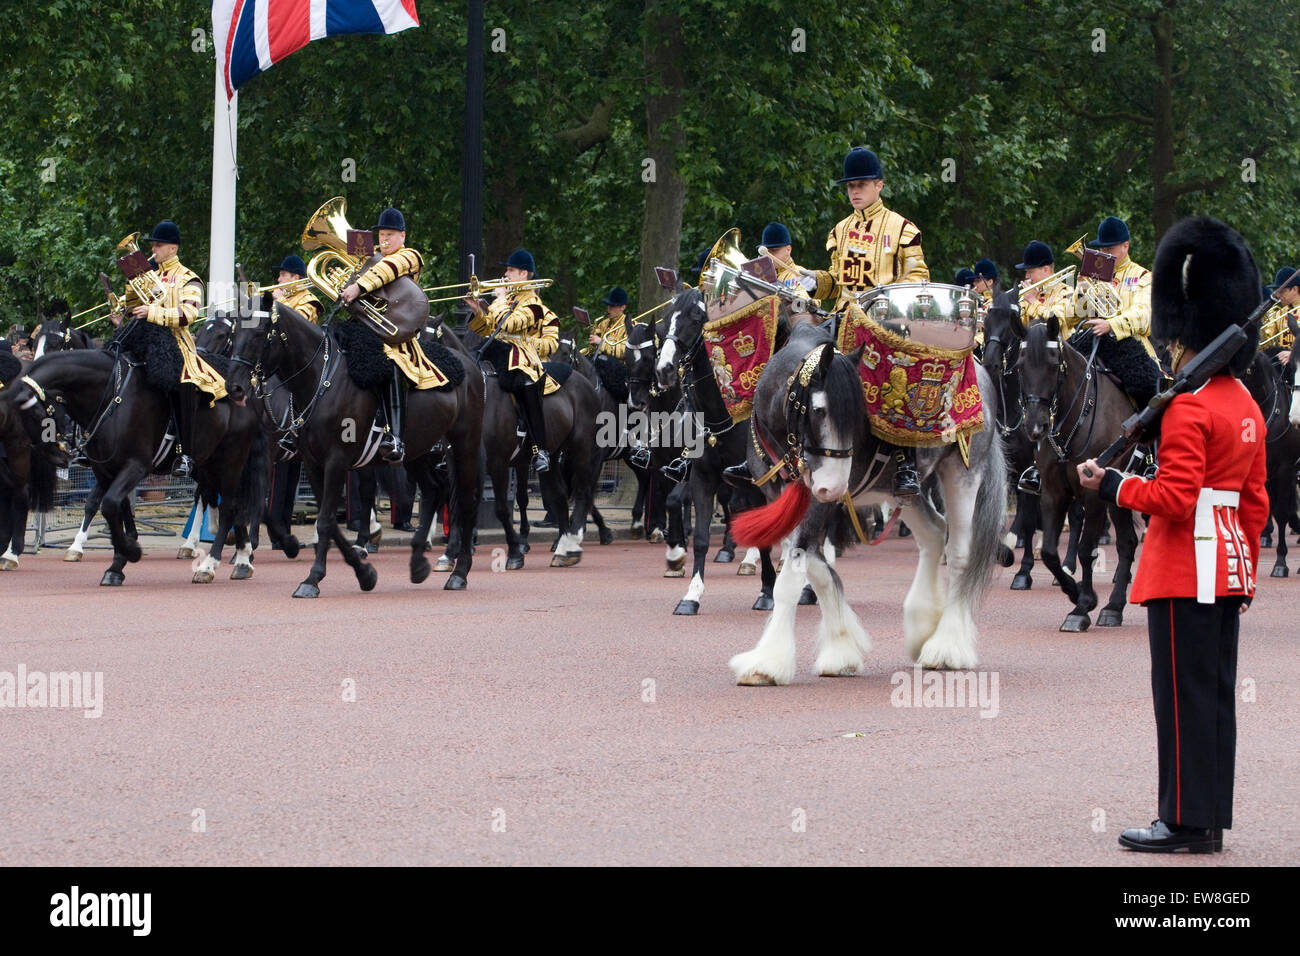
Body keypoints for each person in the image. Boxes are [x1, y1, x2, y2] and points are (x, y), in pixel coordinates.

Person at [1077, 217, 1267, 854]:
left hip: (1184, 566)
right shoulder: (1242, 402)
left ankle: (1181, 822)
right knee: (1213, 698)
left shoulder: (1188, 405)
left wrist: (1111, 486)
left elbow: (1174, 499)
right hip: (1227, 565)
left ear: (1184, 334)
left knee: (1180, 702)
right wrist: (1236, 559)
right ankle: (1208, 817)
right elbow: (1256, 503)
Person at [808, 147, 932, 497]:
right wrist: (812, 281)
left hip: (886, 323)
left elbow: (919, 277)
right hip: (843, 319)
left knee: (897, 379)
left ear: (879, 185)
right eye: (849, 186)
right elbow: (834, 280)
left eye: (861, 184)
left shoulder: (903, 229)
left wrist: (887, 297)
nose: (854, 191)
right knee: (802, 364)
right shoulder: (841, 230)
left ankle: (906, 462)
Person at [124, 220, 228, 477]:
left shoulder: (188, 277)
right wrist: (132, 282)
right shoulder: (149, 274)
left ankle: (186, 452)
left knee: (183, 385)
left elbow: (189, 314)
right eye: (153, 246)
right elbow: (131, 306)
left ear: (172, 248)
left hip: (175, 343)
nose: (154, 250)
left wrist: (153, 311)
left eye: (158, 245)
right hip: (143, 339)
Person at [337, 206, 425, 463]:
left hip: (395, 334)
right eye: (381, 235)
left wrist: (358, 285)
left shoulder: (410, 257)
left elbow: (387, 270)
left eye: (390, 234)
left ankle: (395, 436)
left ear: (403, 236)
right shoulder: (370, 257)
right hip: (364, 326)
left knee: (393, 364)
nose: (384, 240)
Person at [465, 248, 557, 472]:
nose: (505, 275)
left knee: (525, 384)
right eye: (506, 270)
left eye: (511, 270)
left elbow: (508, 324)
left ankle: (540, 449)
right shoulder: (509, 299)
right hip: (497, 349)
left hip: (521, 358)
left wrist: (500, 299)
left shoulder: (533, 304)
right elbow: (489, 328)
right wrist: (478, 311)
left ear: (524, 274)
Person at [1067, 216, 1164, 411]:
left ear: (1125, 246)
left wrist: (1111, 325)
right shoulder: (1096, 275)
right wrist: (1082, 290)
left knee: (1148, 387)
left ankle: (1152, 435)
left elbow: (1143, 316)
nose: (1104, 254)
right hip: (1096, 340)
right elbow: (1071, 317)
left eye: (1109, 249)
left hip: (1131, 345)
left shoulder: (1142, 276)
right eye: (1101, 249)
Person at [1259, 266, 1299, 365]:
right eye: (1277, 291)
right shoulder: (1279, 313)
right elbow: (1264, 345)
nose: (1278, 295)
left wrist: (1293, 354)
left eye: (1282, 291)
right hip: (1282, 367)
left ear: (1294, 289)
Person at [270, 254, 320, 323]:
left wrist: (280, 300)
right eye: (279, 275)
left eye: (283, 275)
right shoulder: (287, 296)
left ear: (296, 278)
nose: (279, 279)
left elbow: (298, 324)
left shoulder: (309, 300)